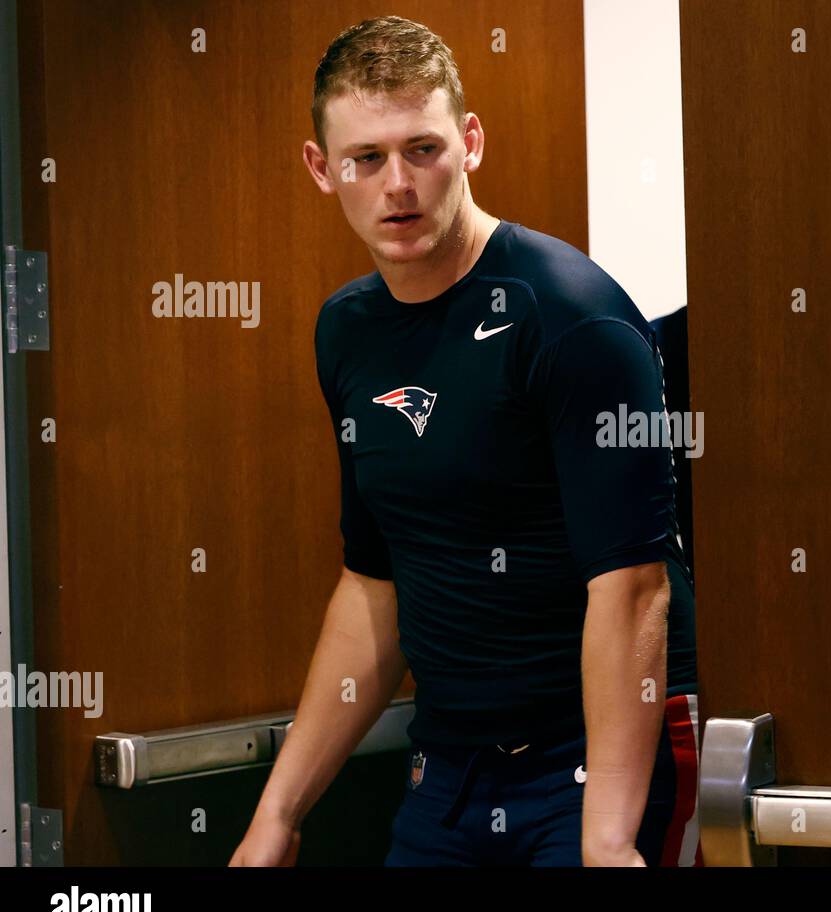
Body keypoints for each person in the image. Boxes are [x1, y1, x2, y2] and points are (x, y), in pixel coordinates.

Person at [229, 15, 700, 867]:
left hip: (592, 767)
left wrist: (608, 836)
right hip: (446, 779)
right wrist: (278, 815)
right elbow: (375, 583)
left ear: (471, 142)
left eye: (423, 149)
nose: (397, 184)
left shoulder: (570, 315)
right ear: (321, 168)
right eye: (365, 159)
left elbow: (632, 588)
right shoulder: (347, 332)